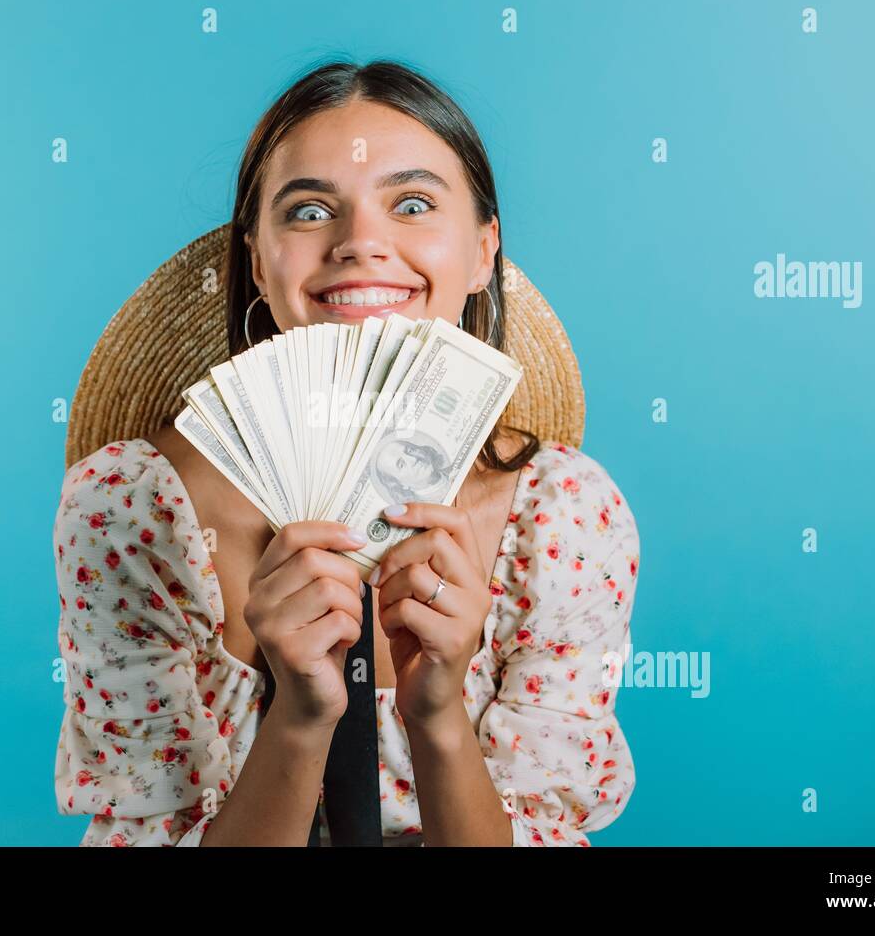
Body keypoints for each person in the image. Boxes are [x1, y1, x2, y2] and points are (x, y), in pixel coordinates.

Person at [52, 59, 640, 846]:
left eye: (414, 203)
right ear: (258, 260)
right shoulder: (132, 511)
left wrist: (439, 718)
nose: (362, 243)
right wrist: (300, 716)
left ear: (481, 251)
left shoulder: (563, 518)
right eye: (309, 211)